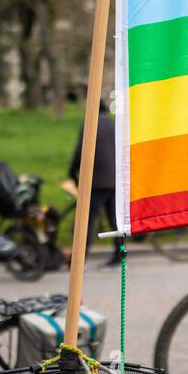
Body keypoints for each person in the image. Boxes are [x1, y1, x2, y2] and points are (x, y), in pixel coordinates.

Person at [69, 100, 120, 268]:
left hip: (97, 180)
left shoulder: (90, 125)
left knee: (86, 220)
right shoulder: (113, 125)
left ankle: (79, 259)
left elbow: (80, 151)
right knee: (115, 220)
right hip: (115, 180)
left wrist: (72, 172)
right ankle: (118, 255)